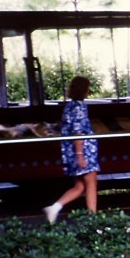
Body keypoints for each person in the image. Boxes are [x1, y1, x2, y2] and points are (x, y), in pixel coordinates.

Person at [44, 75, 99, 222]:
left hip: (71, 151)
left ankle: (54, 208)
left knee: (80, 186)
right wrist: (80, 154)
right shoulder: (79, 107)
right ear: (85, 91)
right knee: (91, 182)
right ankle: (93, 219)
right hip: (84, 151)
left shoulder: (69, 107)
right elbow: (78, 131)